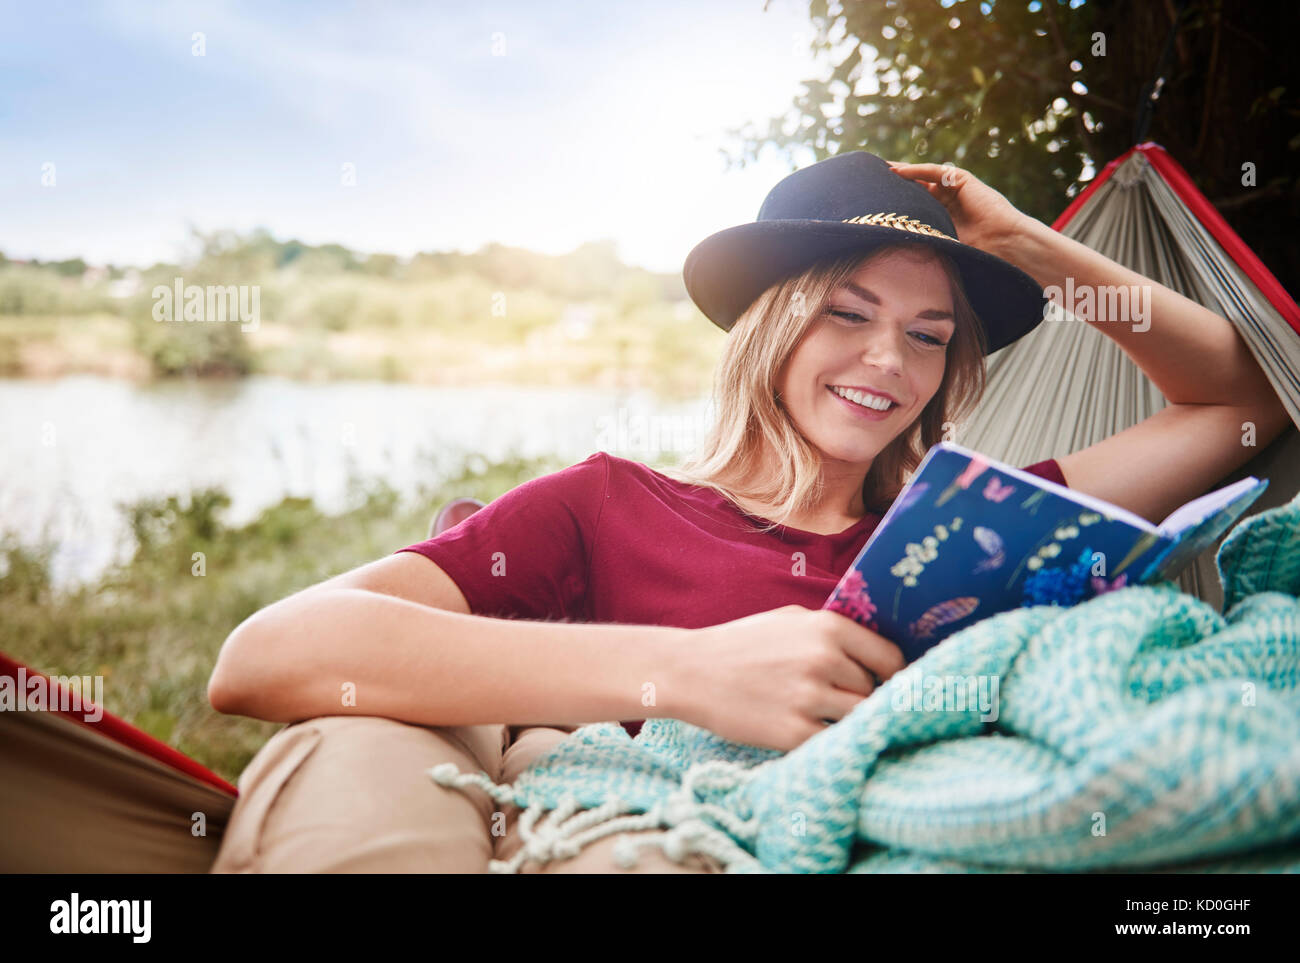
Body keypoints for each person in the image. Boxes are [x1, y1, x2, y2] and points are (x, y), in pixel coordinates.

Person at [206, 151, 1291, 874]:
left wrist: (1022, 245)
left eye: (929, 332)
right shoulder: (606, 507)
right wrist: (687, 674)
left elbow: (1242, 403)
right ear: (770, 328)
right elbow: (270, 654)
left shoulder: (974, 522)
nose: (887, 360)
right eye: (847, 313)